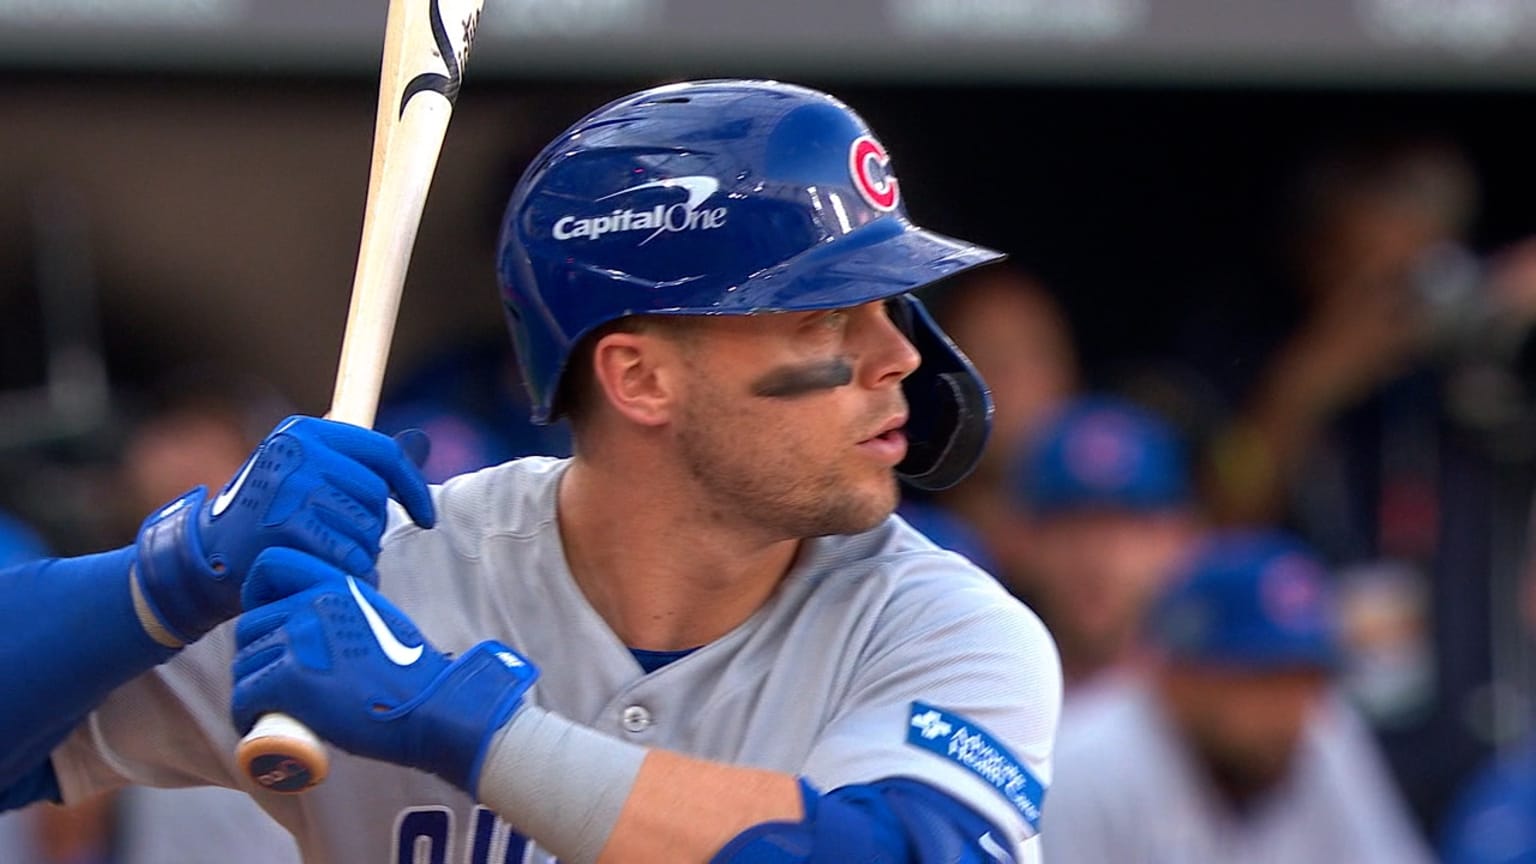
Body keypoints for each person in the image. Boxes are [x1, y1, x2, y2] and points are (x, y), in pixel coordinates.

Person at [0, 79, 1061, 863]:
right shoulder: (389, 577)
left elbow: (909, 850)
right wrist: (168, 576)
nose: (901, 359)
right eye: (832, 316)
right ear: (639, 378)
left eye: (894, 309)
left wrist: (474, 729)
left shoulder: (941, 624)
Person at [1041, 529, 1434, 863]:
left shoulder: (1324, 730)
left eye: (1306, 679)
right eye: (1263, 679)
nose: (1290, 706)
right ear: (1179, 676)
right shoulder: (1084, 766)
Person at [1004, 394, 1203, 697]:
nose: (1096, 558)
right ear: (1024, 541)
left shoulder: (1209, 703)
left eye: (1124, 528)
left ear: (1178, 538)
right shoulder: (990, 686)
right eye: (1071, 528)